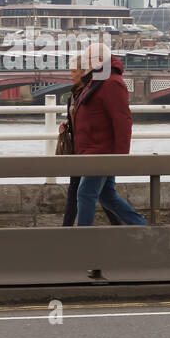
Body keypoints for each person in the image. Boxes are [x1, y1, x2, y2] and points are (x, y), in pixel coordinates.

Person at [71, 43, 147, 226]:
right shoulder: (96, 80)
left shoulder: (111, 83)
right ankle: (141, 227)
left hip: (100, 152)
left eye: (87, 60)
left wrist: (120, 158)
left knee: (85, 194)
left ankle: (82, 241)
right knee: (106, 195)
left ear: (98, 61)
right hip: (93, 150)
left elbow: (122, 121)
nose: (84, 65)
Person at [58, 56, 122, 226]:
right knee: (97, 194)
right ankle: (124, 227)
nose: (70, 75)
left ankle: (78, 234)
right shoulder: (72, 96)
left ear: (84, 72)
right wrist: (68, 126)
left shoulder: (94, 91)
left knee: (92, 194)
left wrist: (121, 154)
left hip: (95, 151)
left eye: (73, 71)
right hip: (80, 151)